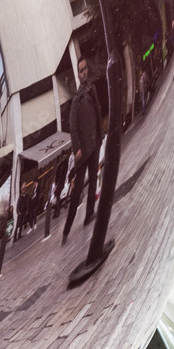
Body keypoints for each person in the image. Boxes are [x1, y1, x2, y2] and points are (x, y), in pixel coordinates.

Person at [62, 57, 102, 245]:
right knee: (77, 191)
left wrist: (100, 137)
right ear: (78, 74)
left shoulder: (92, 90)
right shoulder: (77, 99)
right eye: (81, 70)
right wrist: (77, 148)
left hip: (94, 146)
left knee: (94, 179)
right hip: (82, 151)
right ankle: (66, 230)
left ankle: (89, 214)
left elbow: (97, 113)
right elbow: (73, 126)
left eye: (86, 69)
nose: (84, 72)